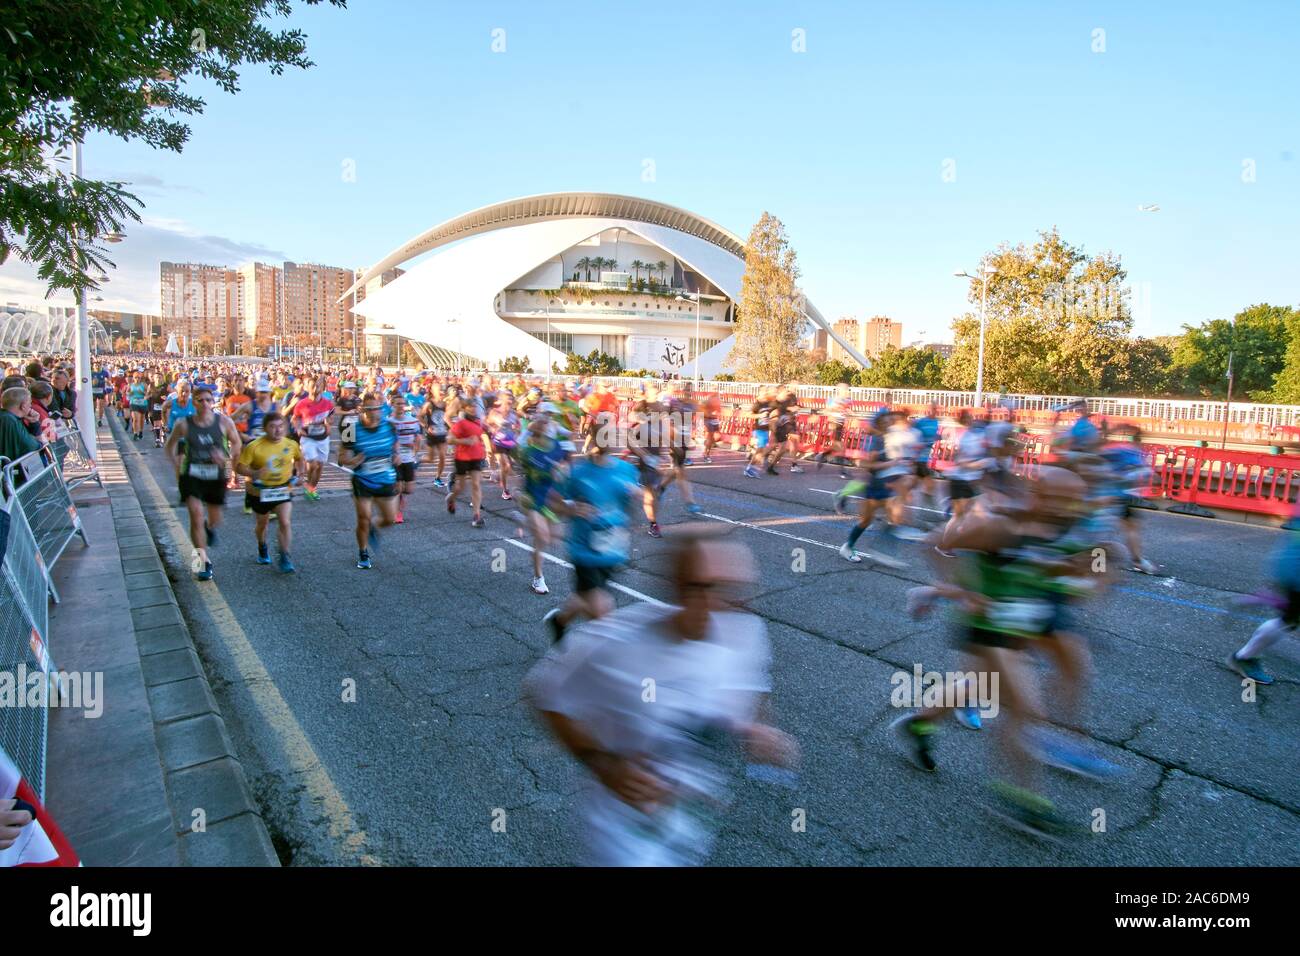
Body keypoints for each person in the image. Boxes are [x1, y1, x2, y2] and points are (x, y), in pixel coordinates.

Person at [525, 528, 799, 866]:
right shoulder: (613, 643)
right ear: (678, 589)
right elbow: (544, 693)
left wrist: (756, 728)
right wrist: (602, 763)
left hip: (689, 827)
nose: (722, 604)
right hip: (622, 838)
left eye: (735, 592)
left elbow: (747, 689)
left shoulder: (743, 632)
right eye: (704, 588)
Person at [541, 425, 641, 643]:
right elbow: (552, 502)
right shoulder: (575, 472)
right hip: (584, 550)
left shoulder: (627, 470)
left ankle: (559, 621)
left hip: (613, 548)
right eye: (603, 436)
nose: (609, 440)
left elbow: (631, 503)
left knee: (583, 596)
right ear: (593, 439)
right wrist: (570, 509)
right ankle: (598, 661)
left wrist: (636, 497)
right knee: (602, 611)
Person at [164, 385, 242, 582]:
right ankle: (201, 561)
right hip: (192, 475)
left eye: (208, 400)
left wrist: (226, 458)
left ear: (212, 402)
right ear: (194, 402)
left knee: (214, 519)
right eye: (201, 400)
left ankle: (209, 528)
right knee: (196, 515)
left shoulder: (224, 421)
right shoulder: (184, 423)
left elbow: (237, 443)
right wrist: (177, 467)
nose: (205, 404)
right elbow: (170, 446)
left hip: (216, 475)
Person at [338, 392, 400, 570]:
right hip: (362, 479)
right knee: (363, 518)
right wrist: (352, 461)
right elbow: (341, 457)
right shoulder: (351, 427)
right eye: (371, 409)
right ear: (362, 410)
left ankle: (374, 528)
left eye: (378, 408)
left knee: (389, 518)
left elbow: (395, 448)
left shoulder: (389, 426)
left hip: (385, 478)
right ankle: (363, 551)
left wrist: (396, 457)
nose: (375, 413)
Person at [235, 411, 301, 573]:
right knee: (262, 524)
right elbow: (239, 467)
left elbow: (300, 459)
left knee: (285, 521)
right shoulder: (254, 446)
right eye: (273, 427)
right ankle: (262, 546)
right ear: (265, 428)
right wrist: (254, 474)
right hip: (260, 491)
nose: (277, 430)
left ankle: (284, 555)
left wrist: (299, 474)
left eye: (281, 426)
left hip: (283, 488)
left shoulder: (290, 444)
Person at [292, 378, 335, 501]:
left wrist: (328, 423)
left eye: (318, 386)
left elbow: (331, 416)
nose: (316, 388)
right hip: (308, 438)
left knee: (320, 466)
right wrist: (298, 428)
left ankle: (311, 487)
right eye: (313, 386)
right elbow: (294, 419)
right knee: (313, 464)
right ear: (308, 388)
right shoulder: (301, 403)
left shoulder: (328, 403)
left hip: (323, 438)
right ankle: (309, 486)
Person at [446, 400, 487, 528]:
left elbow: (479, 436)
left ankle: (476, 515)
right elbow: (449, 439)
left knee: (476, 484)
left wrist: (486, 447)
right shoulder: (460, 423)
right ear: (464, 409)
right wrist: (464, 441)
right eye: (470, 407)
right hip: (462, 457)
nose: (474, 409)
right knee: (461, 487)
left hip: (476, 457)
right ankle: (450, 498)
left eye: (475, 406)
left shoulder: (478, 421)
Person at [388, 393, 422, 523]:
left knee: (409, 489)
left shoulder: (412, 420)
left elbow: (418, 438)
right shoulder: (389, 422)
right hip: (394, 458)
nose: (401, 406)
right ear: (392, 405)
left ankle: (400, 497)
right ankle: (398, 514)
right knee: (397, 486)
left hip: (409, 458)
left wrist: (415, 450)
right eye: (398, 404)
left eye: (403, 404)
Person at [0, 387, 42, 462]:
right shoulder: (9, 420)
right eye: (30, 403)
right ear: (23, 406)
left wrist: (34, 422)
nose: (31, 406)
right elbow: (33, 446)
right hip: (11, 470)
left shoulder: (8, 417)